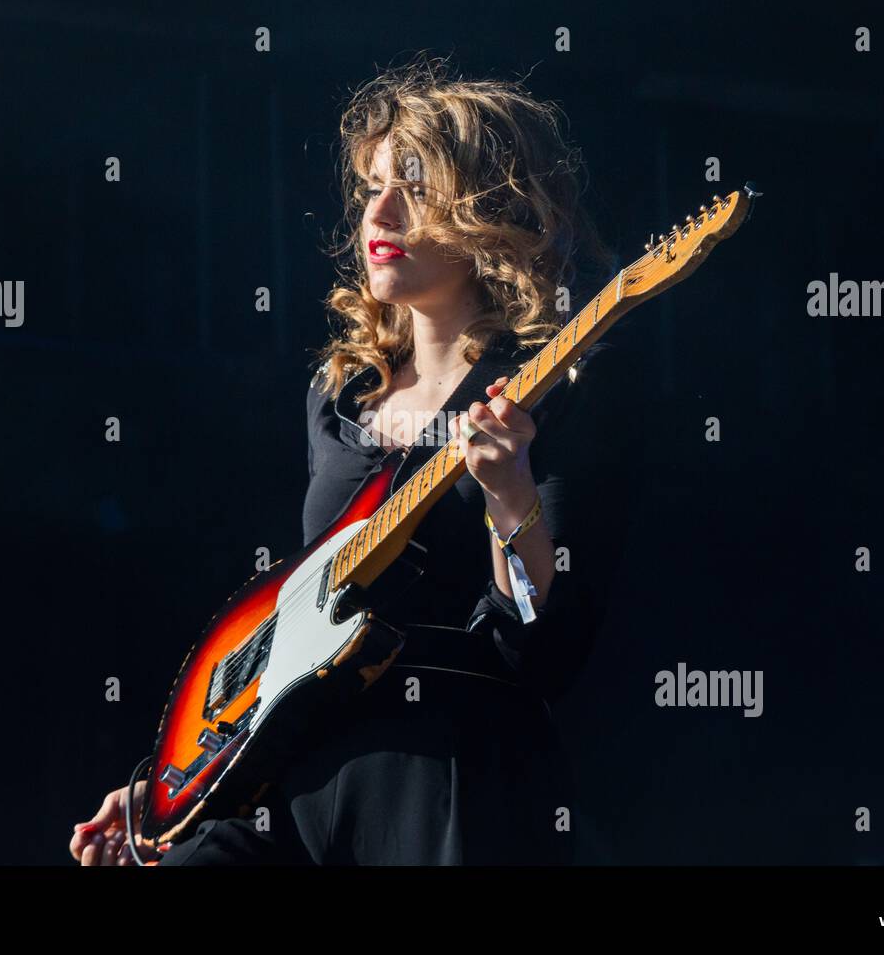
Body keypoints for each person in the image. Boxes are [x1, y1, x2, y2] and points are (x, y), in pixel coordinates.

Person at [69, 56, 638, 866]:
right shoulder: (340, 398)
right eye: (373, 183)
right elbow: (297, 635)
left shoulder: (562, 387)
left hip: (445, 779)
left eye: (415, 183)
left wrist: (509, 495)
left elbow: (548, 651)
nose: (383, 209)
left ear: (492, 209)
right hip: (289, 783)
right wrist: (174, 790)